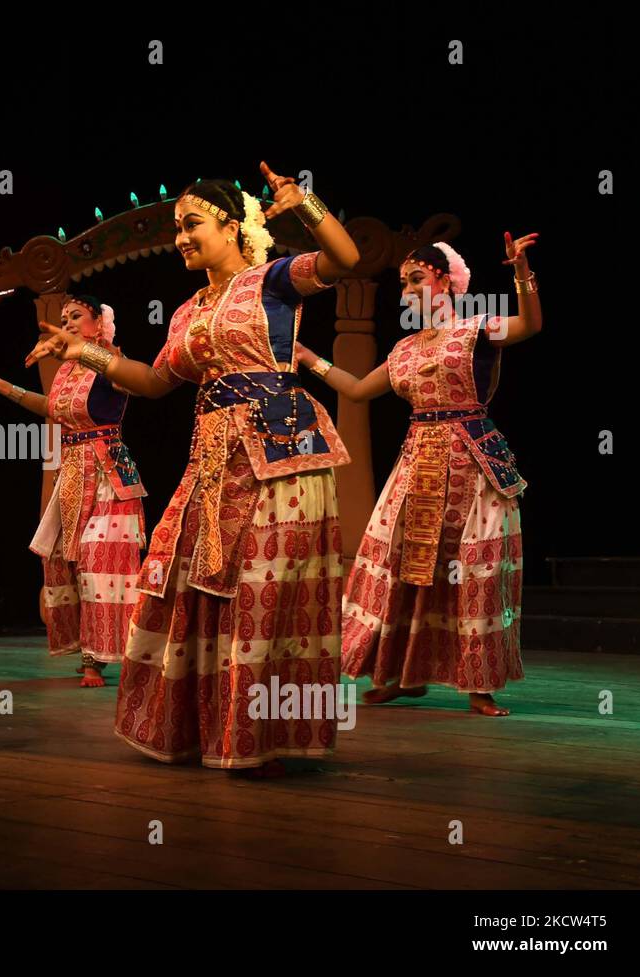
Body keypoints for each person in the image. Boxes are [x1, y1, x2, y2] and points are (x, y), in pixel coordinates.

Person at [31, 164, 360, 772]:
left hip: (279, 457)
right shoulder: (186, 311)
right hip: (210, 460)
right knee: (188, 583)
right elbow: (155, 381)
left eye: (192, 224)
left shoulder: (273, 281)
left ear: (233, 226)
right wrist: (89, 352)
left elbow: (344, 258)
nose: (181, 237)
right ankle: (204, 726)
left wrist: (305, 204)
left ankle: (260, 735)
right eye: (177, 228)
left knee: (262, 591)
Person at [296, 234, 540, 716]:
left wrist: (521, 272)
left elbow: (530, 325)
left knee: (475, 571)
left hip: (472, 461)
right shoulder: (406, 348)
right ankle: (400, 674)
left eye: (416, 280)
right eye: (403, 284)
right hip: (417, 465)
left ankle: (479, 685)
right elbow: (360, 389)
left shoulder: (476, 329)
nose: (406, 291)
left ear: (445, 283)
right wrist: (312, 360)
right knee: (401, 567)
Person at [0, 295, 146, 687]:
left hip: (108, 472)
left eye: (77, 317)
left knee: (99, 561)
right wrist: (6, 389)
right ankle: (88, 652)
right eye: (65, 318)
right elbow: (53, 409)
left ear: (99, 325)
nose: (68, 323)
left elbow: (140, 383)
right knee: (64, 561)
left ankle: (105, 657)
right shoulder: (68, 369)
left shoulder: (108, 359)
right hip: (72, 471)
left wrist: (91, 351)